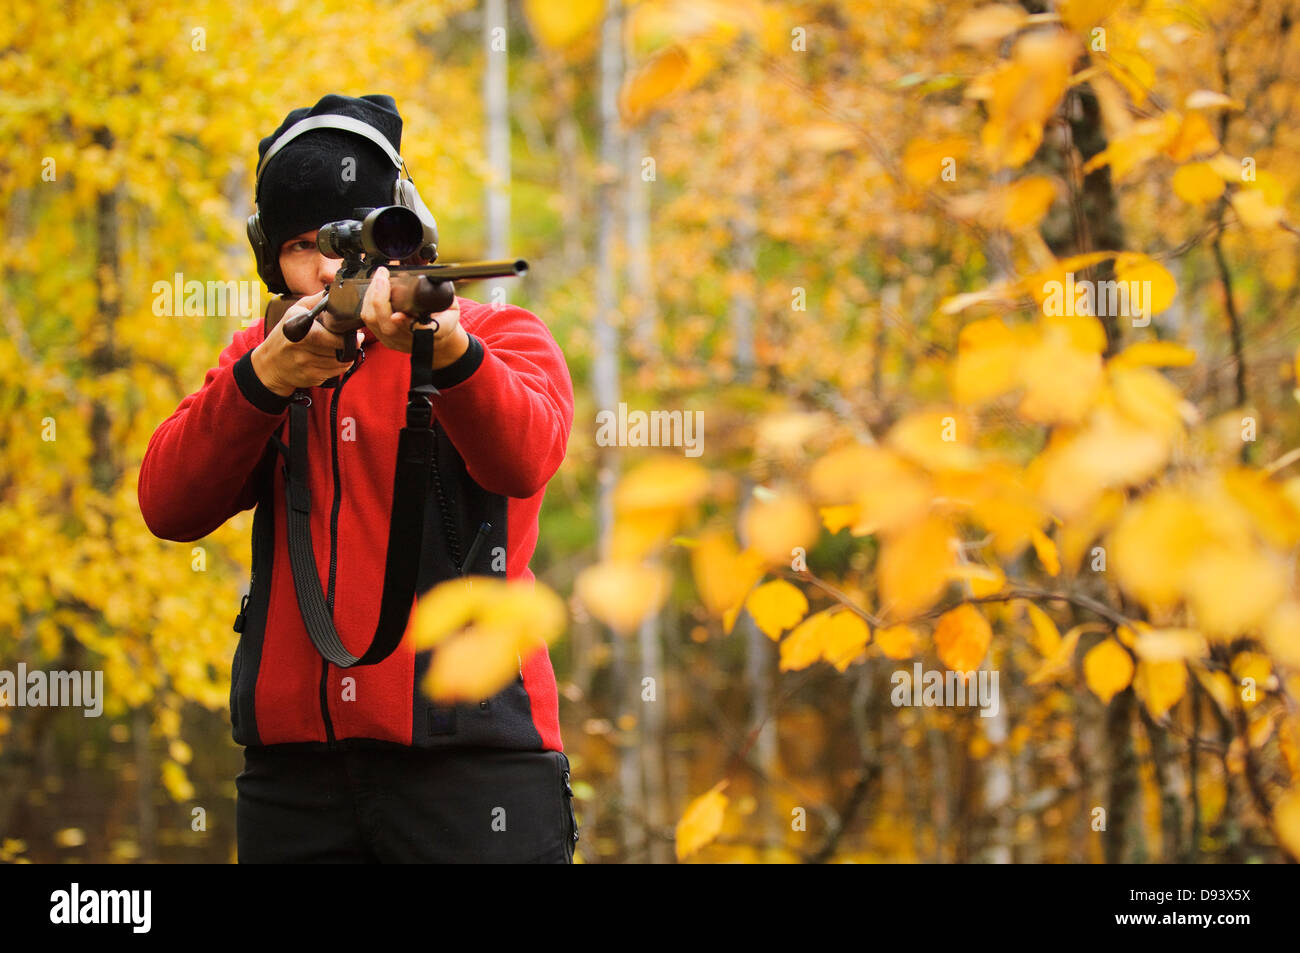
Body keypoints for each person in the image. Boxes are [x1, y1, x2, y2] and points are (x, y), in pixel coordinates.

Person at [138, 93, 578, 863]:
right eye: (301, 244)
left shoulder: (496, 333)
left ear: (407, 233)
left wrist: (446, 353)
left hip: (475, 770)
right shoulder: (262, 353)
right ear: (267, 255)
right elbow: (169, 504)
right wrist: (262, 382)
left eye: (353, 236)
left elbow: (525, 455)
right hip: (293, 780)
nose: (330, 265)